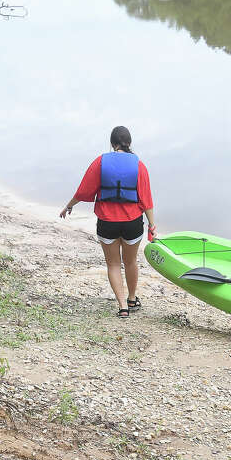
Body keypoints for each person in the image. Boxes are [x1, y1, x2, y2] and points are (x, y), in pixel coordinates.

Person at [60, 126, 156, 318]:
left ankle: (122, 307)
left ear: (112, 144)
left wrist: (69, 206)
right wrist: (152, 224)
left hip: (107, 222)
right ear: (129, 143)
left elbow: (83, 191)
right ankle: (131, 297)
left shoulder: (100, 161)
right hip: (132, 222)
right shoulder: (139, 165)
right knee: (130, 262)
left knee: (113, 264)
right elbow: (146, 199)